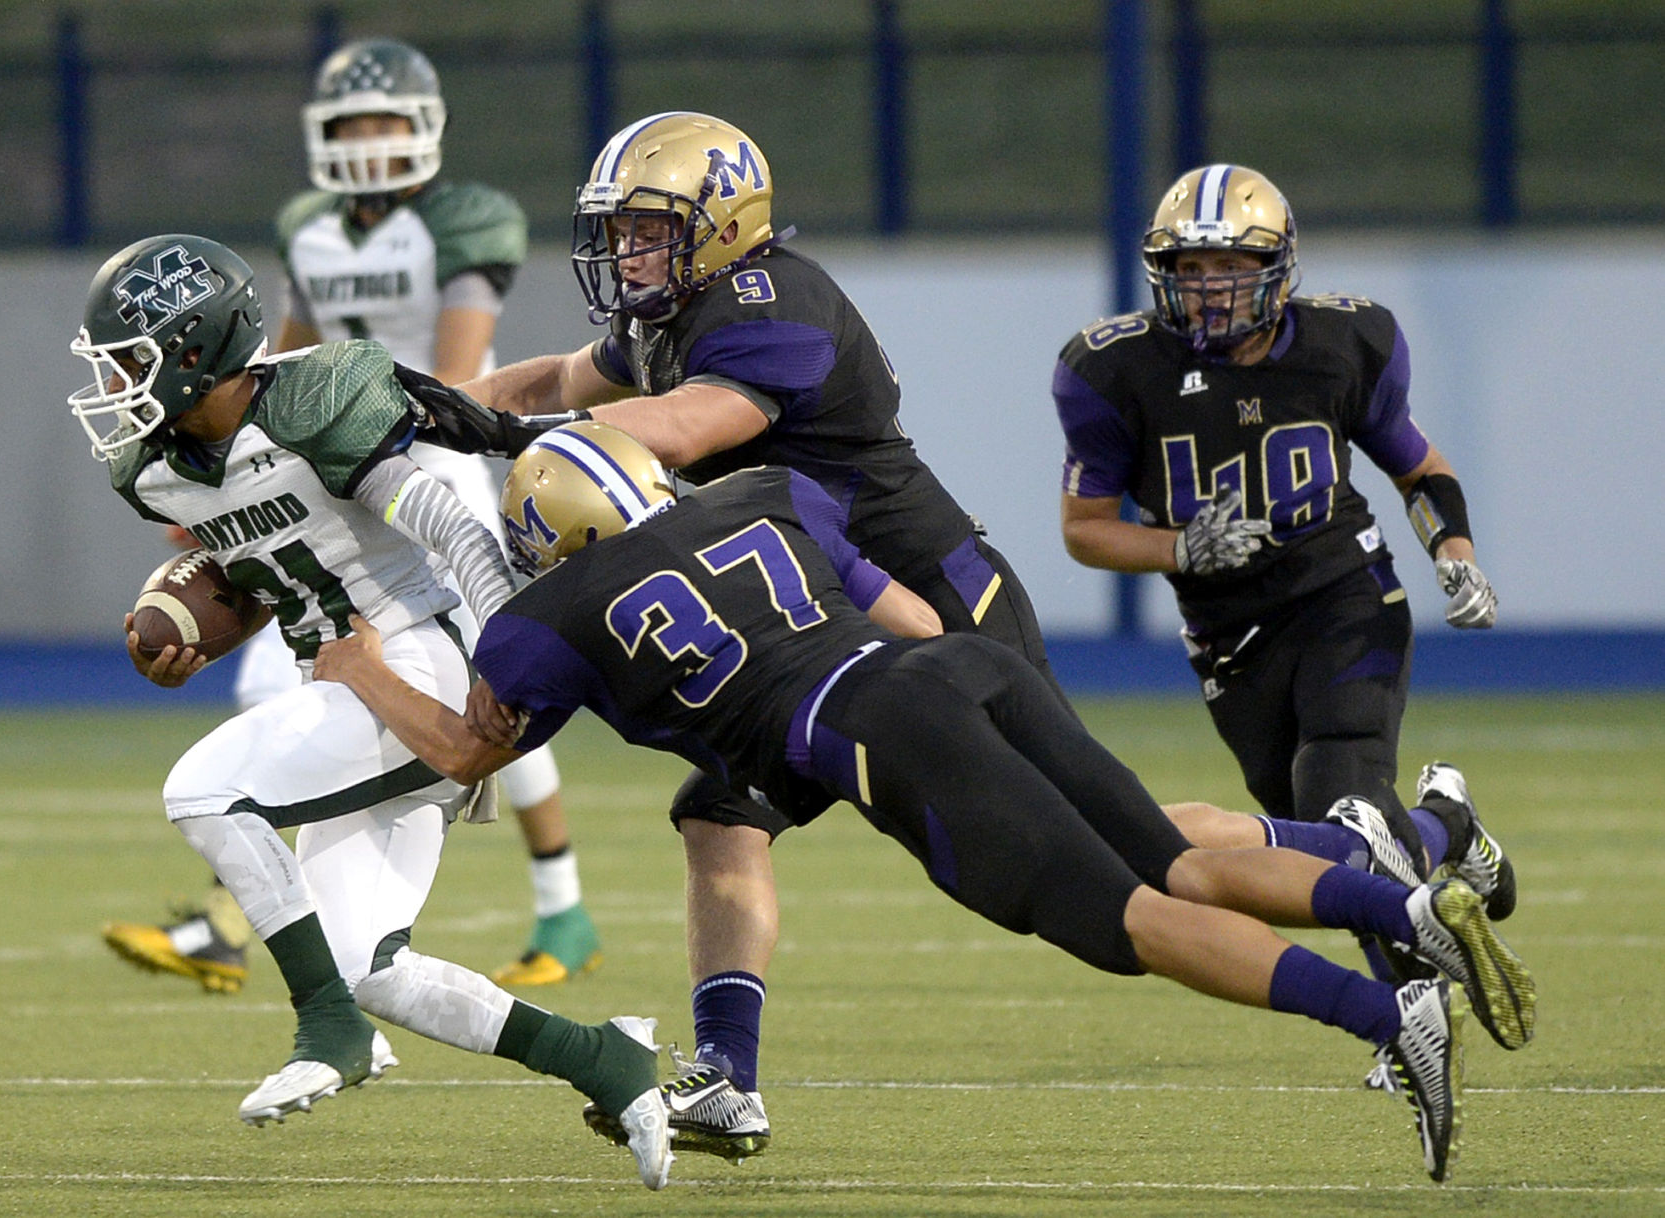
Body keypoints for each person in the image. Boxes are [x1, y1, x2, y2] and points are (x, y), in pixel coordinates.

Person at [313, 422, 1538, 1183]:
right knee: (1170, 857)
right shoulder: (762, 497)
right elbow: (899, 616)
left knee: (1128, 930)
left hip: (867, 731)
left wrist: (362, 667)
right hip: (948, 669)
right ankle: (1407, 901)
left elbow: (468, 754)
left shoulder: (545, 616)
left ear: (552, 537)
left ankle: (1390, 1016)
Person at [392, 110, 1072, 1160]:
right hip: (810, 627)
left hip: (931, 609)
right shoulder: (669, 317)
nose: (626, 250)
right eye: (617, 230)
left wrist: (511, 436)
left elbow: (681, 428)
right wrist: (420, 413)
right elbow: (549, 384)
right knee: (718, 813)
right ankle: (727, 1081)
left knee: (1086, 851)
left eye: (648, 229)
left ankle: (1343, 863)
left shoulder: (772, 299)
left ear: (721, 225)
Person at [68, 235, 673, 1190]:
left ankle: (326, 1028)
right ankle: (606, 1060)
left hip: (415, 661)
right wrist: (193, 635)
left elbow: (449, 524)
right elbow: (266, 568)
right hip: (341, 687)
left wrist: (505, 655)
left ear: (196, 350)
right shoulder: (156, 468)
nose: (112, 379)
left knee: (203, 789)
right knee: (367, 963)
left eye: (129, 358)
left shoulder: (308, 406)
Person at [99, 37, 600, 995]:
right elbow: (275, 355)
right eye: (351, 125)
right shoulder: (308, 229)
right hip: (321, 457)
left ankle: (561, 902)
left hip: (414, 457)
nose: (368, 142)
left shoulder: (462, 221)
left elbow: (456, 366)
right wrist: (238, 472)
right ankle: (231, 920)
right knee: (280, 689)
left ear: (424, 129)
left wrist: (346, 448)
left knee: (493, 682)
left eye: (385, 122)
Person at [1052, 164, 1516, 938]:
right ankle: (1448, 827)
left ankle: (1406, 1027)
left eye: (1232, 266)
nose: (1210, 287)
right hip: (1231, 636)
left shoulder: (1343, 342)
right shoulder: (1113, 370)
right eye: (1190, 269)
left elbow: (1420, 469)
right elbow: (1085, 528)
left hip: (1345, 594)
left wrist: (1455, 553)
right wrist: (1182, 547)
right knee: (1317, 857)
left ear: (1276, 267)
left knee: (1350, 818)